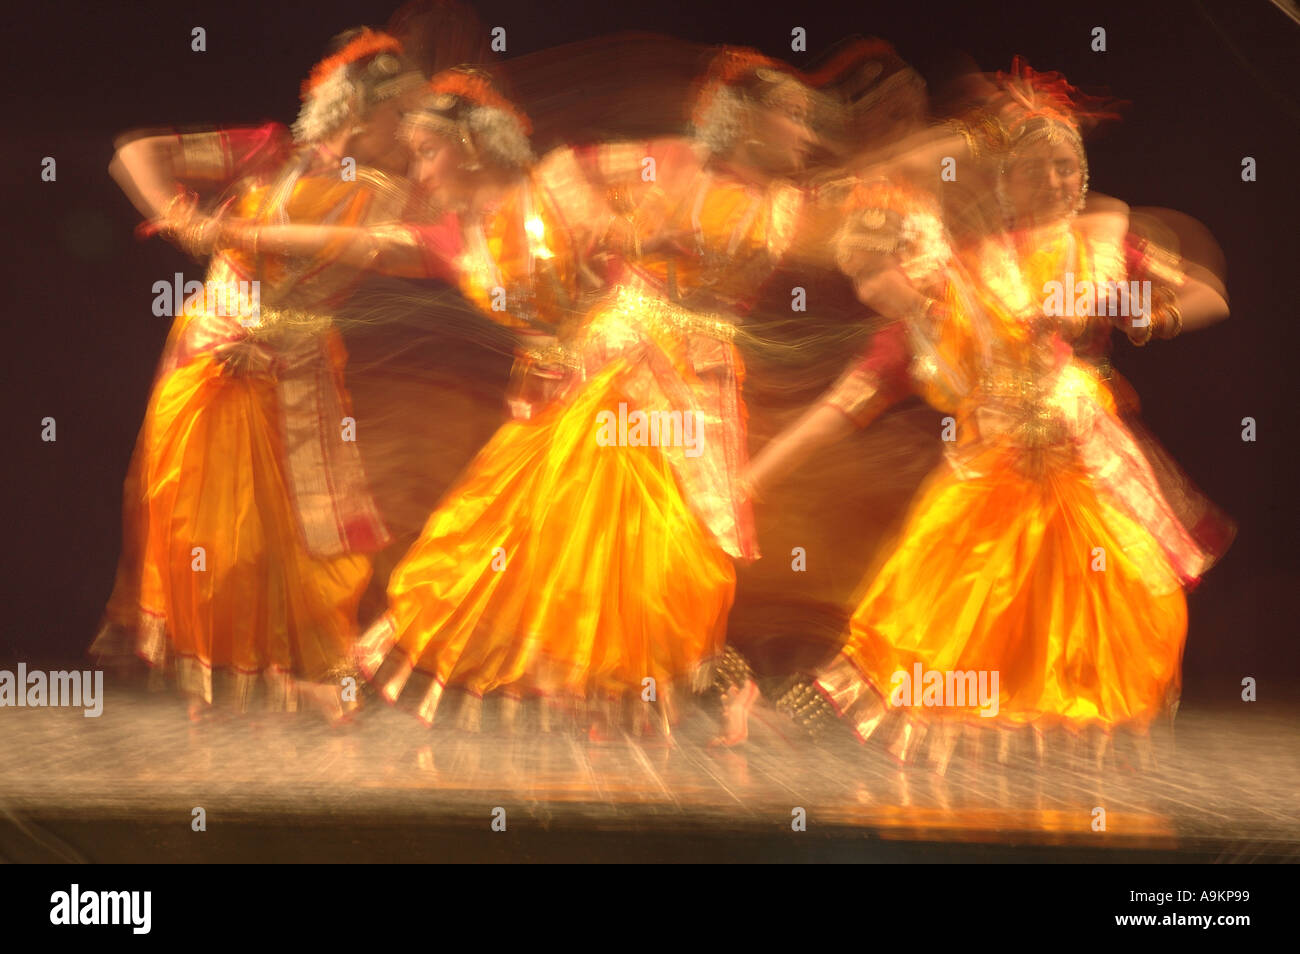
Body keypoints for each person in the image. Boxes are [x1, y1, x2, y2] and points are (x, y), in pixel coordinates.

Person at [755, 60, 1234, 770]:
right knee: (947, 607)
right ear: (1007, 181)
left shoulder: (1100, 248)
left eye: (1065, 167)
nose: (1053, 181)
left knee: (1124, 604)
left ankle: (1067, 755)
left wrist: (1152, 318)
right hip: (993, 466)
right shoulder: (969, 269)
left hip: (1083, 464)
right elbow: (877, 354)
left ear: (1081, 175)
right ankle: (962, 754)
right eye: (1035, 168)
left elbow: (1208, 296)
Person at [93, 28, 422, 721]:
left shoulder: (389, 194)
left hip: (296, 366)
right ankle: (212, 673)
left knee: (302, 531)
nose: (409, 130)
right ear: (358, 111)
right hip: (214, 353)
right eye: (400, 113)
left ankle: (295, 673)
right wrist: (180, 217)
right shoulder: (269, 153)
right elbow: (134, 154)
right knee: (205, 522)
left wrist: (232, 245)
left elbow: (368, 252)